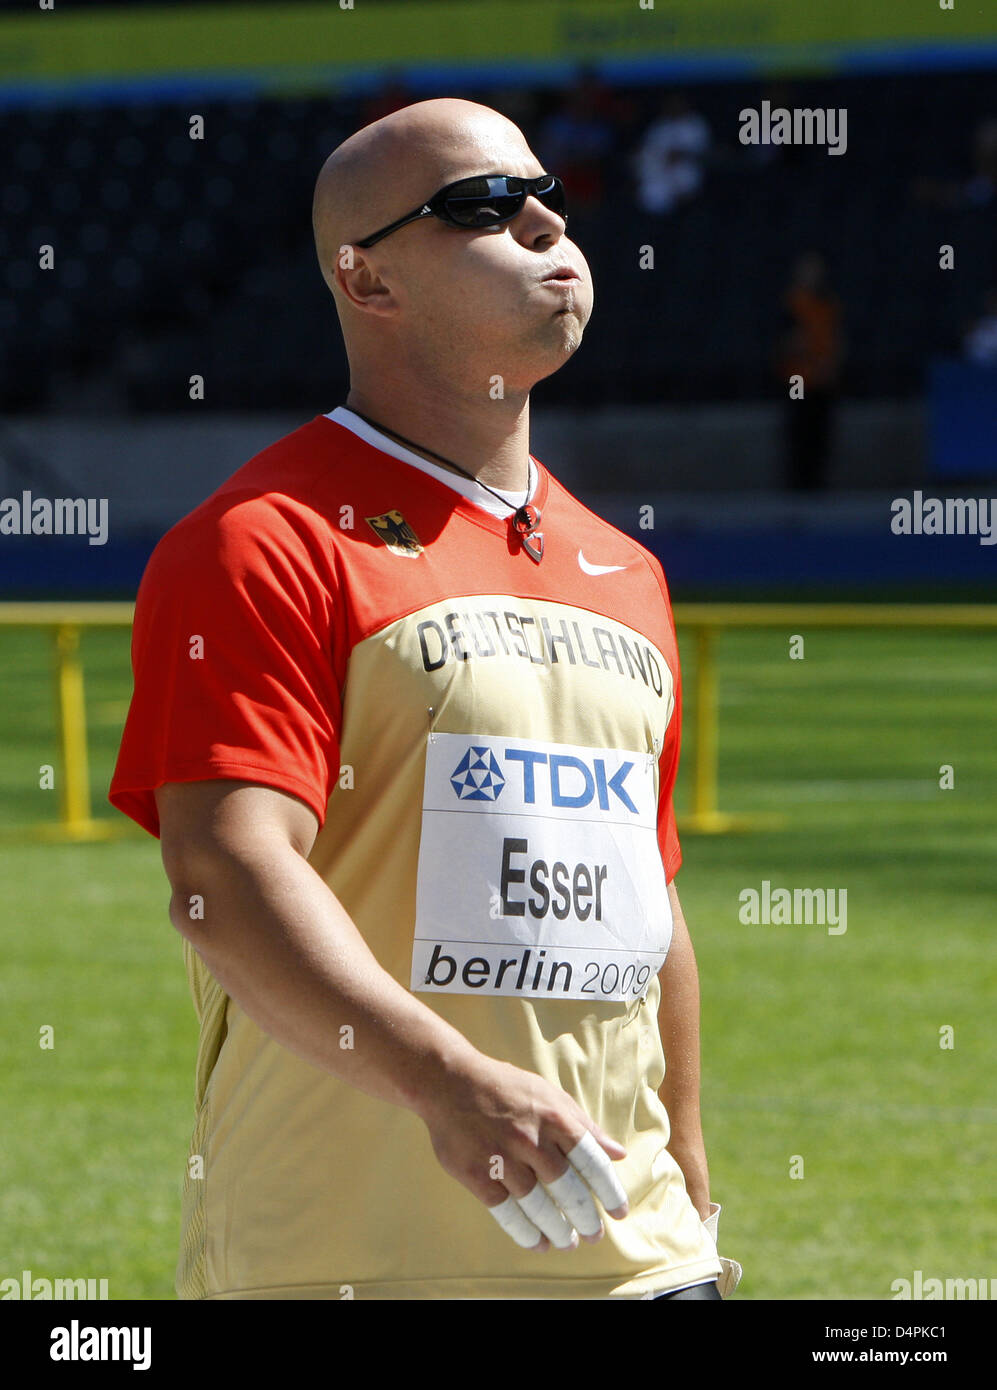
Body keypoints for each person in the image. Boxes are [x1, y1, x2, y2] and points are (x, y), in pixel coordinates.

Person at [109, 97, 740, 1301]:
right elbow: (223, 874)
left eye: (545, 190)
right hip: (349, 1263)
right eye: (485, 204)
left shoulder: (627, 569)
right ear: (366, 277)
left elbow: (647, 900)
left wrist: (686, 1159)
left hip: (638, 1258)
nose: (547, 218)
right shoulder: (258, 542)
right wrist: (450, 1082)